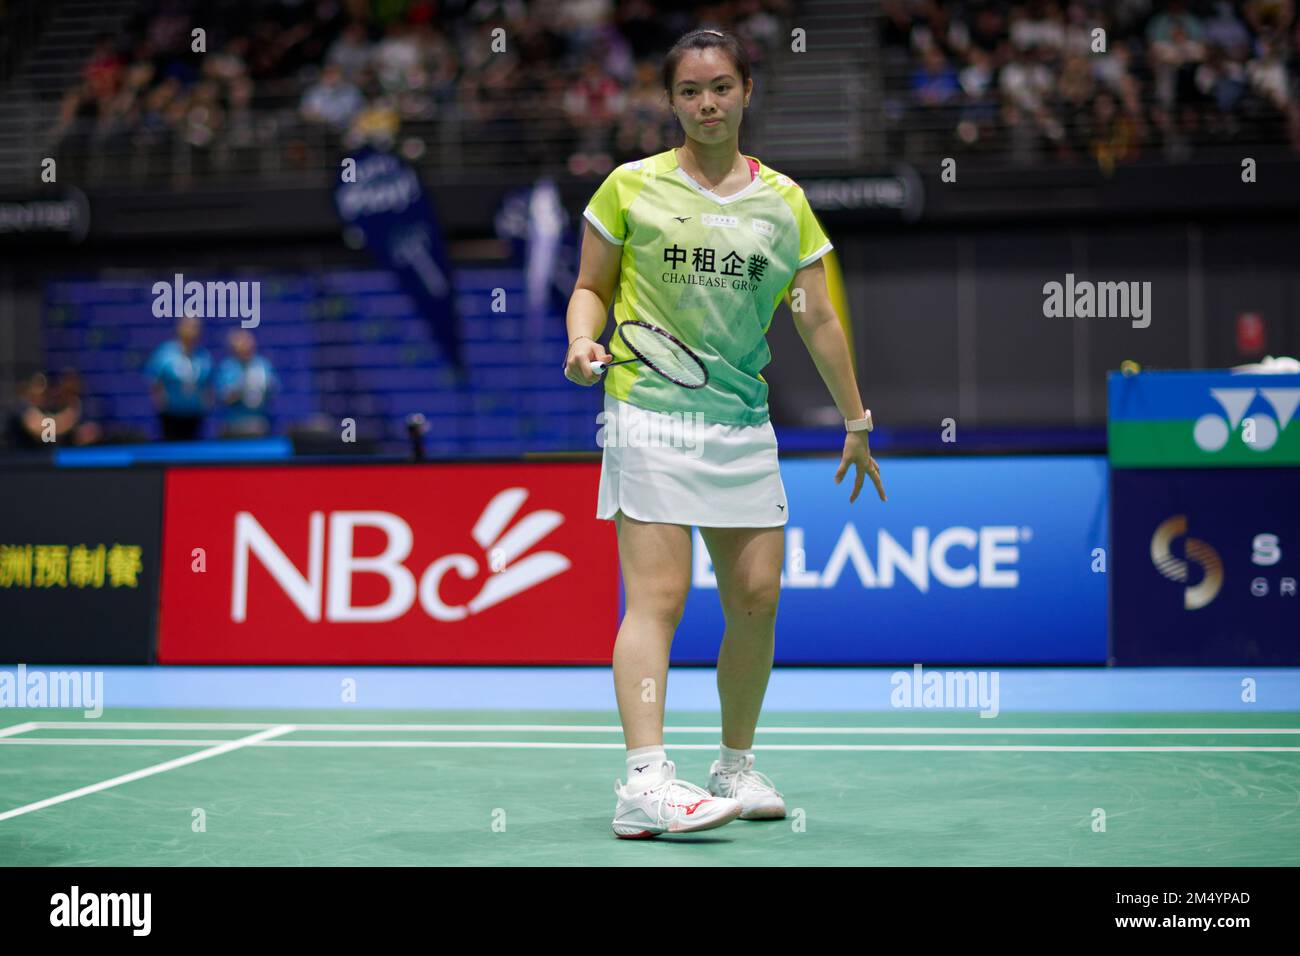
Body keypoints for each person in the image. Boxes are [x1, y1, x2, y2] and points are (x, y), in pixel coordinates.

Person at [563, 28, 887, 840]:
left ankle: (735, 765)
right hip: (650, 410)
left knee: (757, 600)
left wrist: (856, 420)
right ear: (670, 101)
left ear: (746, 91)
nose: (706, 104)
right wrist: (580, 340)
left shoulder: (783, 202)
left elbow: (816, 319)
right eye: (688, 91)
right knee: (659, 599)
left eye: (720, 88)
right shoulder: (628, 188)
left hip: (741, 421)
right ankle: (644, 779)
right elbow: (589, 288)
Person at [144, 313, 213, 440]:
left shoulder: (202, 356)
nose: (193, 331)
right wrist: (161, 402)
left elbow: (207, 384)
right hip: (171, 416)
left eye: (196, 327)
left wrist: (205, 403)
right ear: (179, 328)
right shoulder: (165, 353)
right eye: (189, 326)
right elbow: (154, 380)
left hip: (195, 415)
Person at [215, 329, 279, 437]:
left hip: (259, 424)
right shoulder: (227, 367)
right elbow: (224, 398)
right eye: (241, 343)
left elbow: (273, 390)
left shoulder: (263, 365)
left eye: (248, 342)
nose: (245, 347)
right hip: (234, 425)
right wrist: (243, 385)